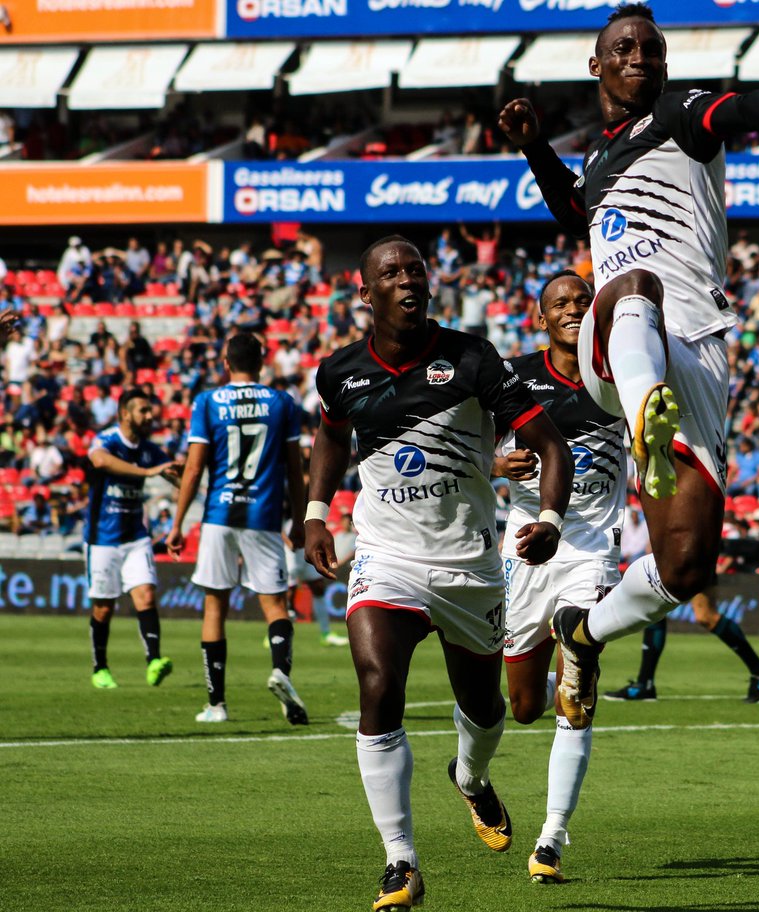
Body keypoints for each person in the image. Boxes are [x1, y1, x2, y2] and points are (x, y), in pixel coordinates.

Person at [498, 2, 759, 728]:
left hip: (697, 349)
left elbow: (739, 104)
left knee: (685, 567)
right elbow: (577, 214)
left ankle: (584, 633)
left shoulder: (679, 114)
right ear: (596, 65)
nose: (639, 57)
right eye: (624, 48)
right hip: (620, 346)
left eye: (650, 50)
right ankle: (641, 416)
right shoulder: (603, 153)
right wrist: (536, 148)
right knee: (634, 285)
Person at [303, 236, 572, 910]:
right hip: (386, 559)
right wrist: (314, 510)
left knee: (484, 711)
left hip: (469, 568)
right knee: (377, 683)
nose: (407, 280)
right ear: (365, 293)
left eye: (415, 269)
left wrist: (552, 519)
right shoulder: (340, 373)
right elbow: (333, 436)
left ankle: (471, 778)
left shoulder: (473, 358)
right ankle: (400, 862)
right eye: (391, 273)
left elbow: (548, 442)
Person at [490, 270, 625, 883]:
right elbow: (467, 445)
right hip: (526, 553)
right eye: (560, 304)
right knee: (522, 708)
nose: (573, 309)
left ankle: (550, 840)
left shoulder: (625, 371)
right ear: (540, 319)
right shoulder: (513, 377)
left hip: (592, 552)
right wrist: (494, 462)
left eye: (582, 301)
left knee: (578, 693)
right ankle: (556, 662)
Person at [167, 333, 309, 726]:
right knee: (275, 605)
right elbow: (295, 471)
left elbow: (194, 468)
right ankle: (281, 672)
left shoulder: (208, 402)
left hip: (218, 514)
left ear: (226, 364)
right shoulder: (282, 403)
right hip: (262, 518)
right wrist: (299, 521)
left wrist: (178, 524)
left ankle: (216, 705)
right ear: (262, 364)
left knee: (215, 606)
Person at [85, 389, 182, 689]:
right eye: (143, 410)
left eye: (150, 410)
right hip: (103, 536)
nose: (150, 416)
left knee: (146, 595)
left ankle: (154, 661)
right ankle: (100, 667)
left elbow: (174, 476)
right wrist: (146, 472)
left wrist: (185, 477)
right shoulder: (107, 440)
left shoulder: (150, 449)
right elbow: (99, 461)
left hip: (136, 536)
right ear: (125, 414)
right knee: (104, 607)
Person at [604, 585, 759, 704]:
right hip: (673, 547)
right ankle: (645, 685)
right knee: (654, 603)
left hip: (694, 545)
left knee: (705, 616)